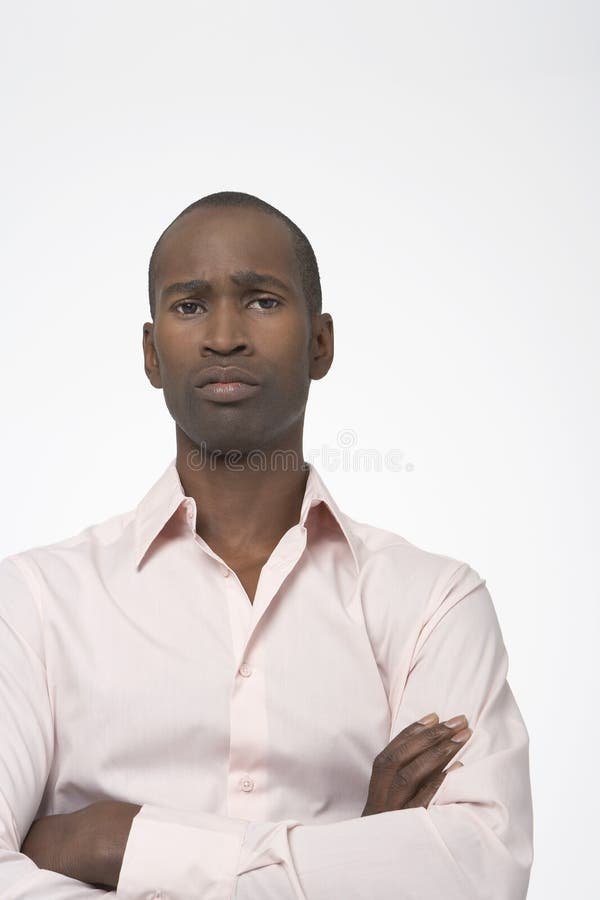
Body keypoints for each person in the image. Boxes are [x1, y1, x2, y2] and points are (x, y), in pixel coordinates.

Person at [0, 191, 533, 899]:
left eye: (261, 300)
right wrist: (362, 851)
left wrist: (119, 844)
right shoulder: (35, 604)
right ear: (151, 353)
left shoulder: (433, 604)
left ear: (322, 342)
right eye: (189, 305)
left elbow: (478, 870)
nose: (225, 336)